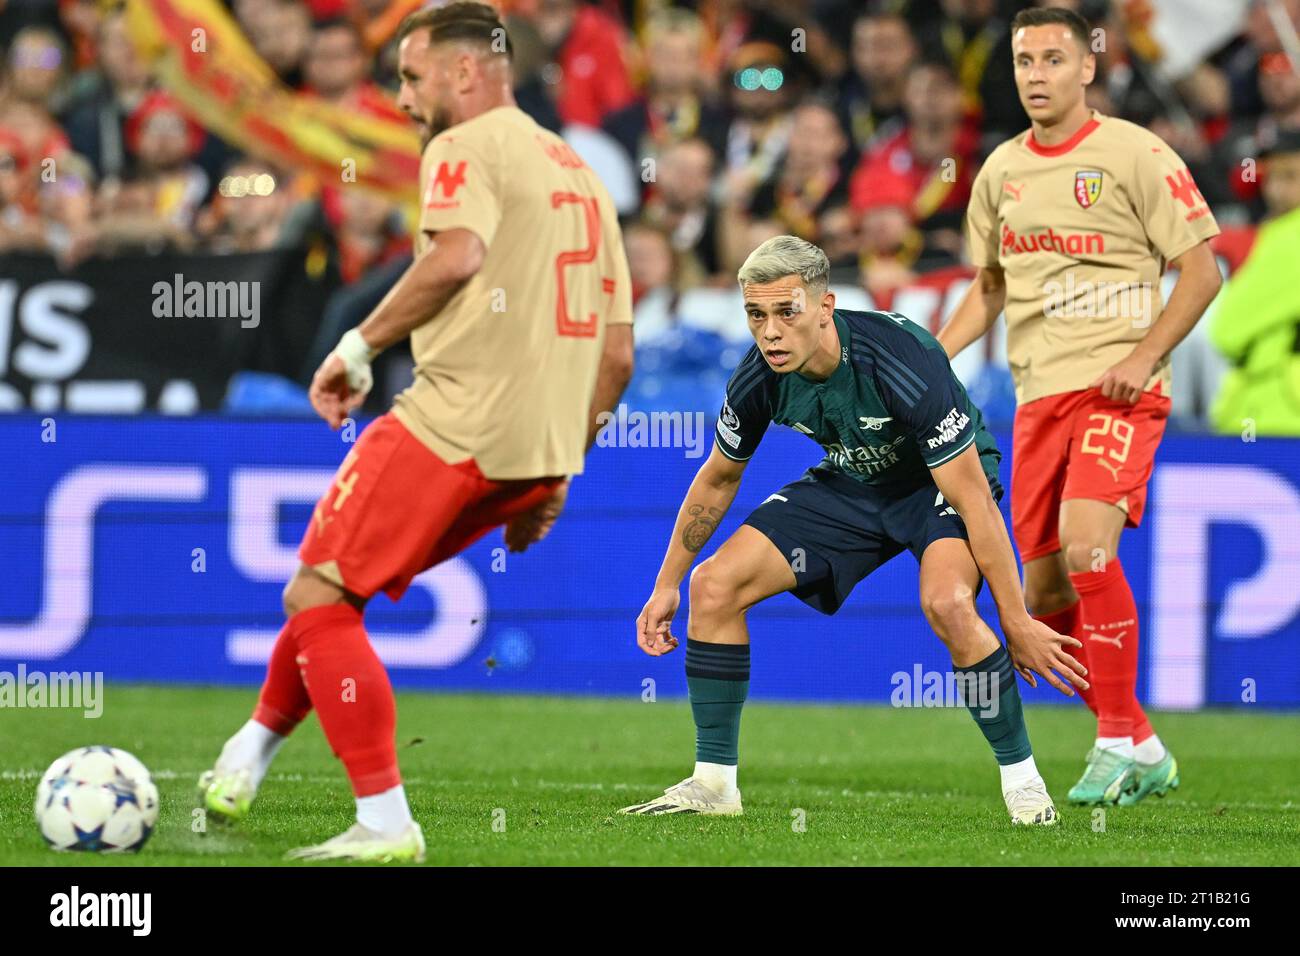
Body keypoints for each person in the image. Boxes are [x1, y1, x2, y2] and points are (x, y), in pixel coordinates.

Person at [197, 2, 635, 862]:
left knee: (317, 597)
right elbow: (617, 355)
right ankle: (244, 758)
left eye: (408, 74)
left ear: (464, 71)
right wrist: (559, 471)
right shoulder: (583, 172)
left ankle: (386, 822)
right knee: (336, 587)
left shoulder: (462, 146)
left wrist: (359, 345)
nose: (400, 98)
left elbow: (458, 254)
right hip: (535, 447)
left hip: (455, 421)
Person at [622, 235, 1086, 825]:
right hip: (854, 480)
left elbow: (972, 499)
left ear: (825, 307)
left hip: (935, 487)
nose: (769, 332)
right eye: (756, 315)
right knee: (713, 586)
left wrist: (1016, 619)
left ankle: (1024, 784)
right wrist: (668, 583)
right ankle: (714, 785)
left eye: (786, 312)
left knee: (947, 603)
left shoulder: (899, 357)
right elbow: (717, 480)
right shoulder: (758, 376)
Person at [937, 7, 1222, 807]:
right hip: (1037, 402)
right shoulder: (999, 172)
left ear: (1087, 68)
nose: (1036, 75)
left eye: (1053, 59)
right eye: (1026, 61)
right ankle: (1140, 741)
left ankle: (1110, 743)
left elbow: (1201, 271)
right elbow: (989, 287)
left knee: (1090, 550)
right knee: (1047, 602)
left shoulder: (1136, 152)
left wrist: (1142, 355)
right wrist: (932, 352)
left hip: (1118, 390)